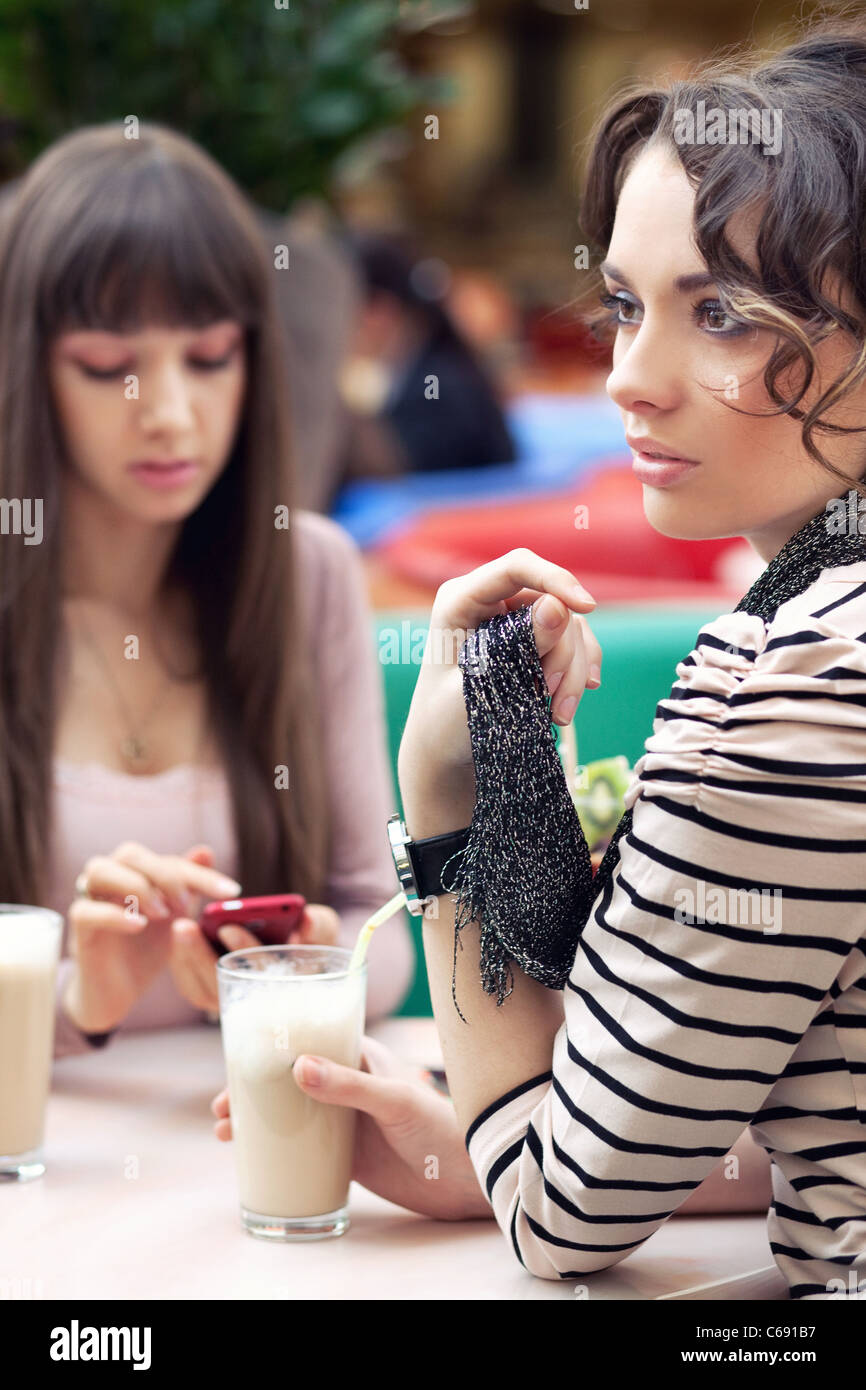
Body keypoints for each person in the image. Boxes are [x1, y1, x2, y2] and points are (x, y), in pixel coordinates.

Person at [213, 18, 866, 1299]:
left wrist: (449, 796)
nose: (629, 375)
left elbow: (561, 1222)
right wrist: (490, 1138)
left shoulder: (792, 697)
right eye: (625, 305)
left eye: (722, 315)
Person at [0, 119, 415, 1059]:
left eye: (211, 357)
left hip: (245, 1146)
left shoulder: (305, 574)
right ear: (26, 371)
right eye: (110, 367)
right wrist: (79, 998)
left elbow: (382, 924)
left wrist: (311, 964)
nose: (173, 414)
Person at [337, 230, 516, 479]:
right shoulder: (418, 369)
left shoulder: (438, 392)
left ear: (379, 312)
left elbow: (400, 481)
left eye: (339, 307)